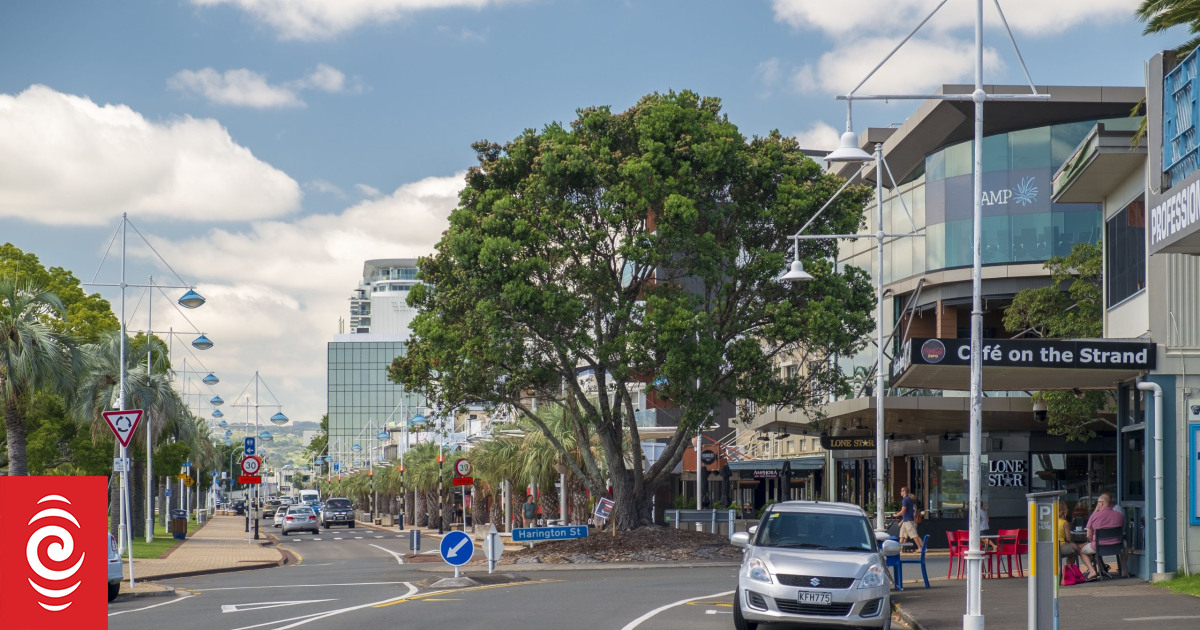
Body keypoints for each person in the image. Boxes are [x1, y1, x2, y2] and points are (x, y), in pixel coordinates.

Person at [1081, 493, 1126, 578]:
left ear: (1101, 503)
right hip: (1117, 545)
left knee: (1082, 551)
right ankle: (1124, 570)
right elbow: (1121, 528)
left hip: (1099, 546)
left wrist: (1093, 542)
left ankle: (1092, 571)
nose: (1097, 504)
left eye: (1098, 502)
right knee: (1125, 544)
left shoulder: (1094, 516)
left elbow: (1088, 535)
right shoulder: (1119, 514)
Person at [1059, 502, 1097, 578]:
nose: (1068, 510)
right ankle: (1091, 569)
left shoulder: (1051, 522)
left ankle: (1070, 574)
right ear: (1063, 510)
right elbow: (1068, 539)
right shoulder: (1064, 523)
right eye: (1066, 508)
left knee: (1072, 553)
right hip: (1062, 547)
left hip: (1054, 547)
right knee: (1080, 550)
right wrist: (1072, 543)